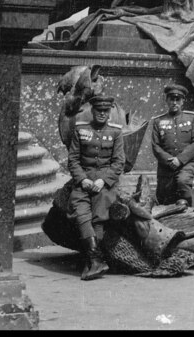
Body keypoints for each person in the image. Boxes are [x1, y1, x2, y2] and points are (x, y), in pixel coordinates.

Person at [66, 93, 125, 280]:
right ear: (92, 111)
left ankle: (92, 261)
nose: (101, 114)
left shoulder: (115, 132)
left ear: (109, 113)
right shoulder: (80, 129)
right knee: (80, 211)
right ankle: (96, 259)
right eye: (98, 110)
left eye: (105, 111)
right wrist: (82, 179)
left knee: (99, 218)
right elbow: (73, 159)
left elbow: (118, 163)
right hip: (84, 180)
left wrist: (104, 181)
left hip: (104, 182)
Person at [150, 83, 194, 207]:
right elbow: (156, 146)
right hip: (166, 166)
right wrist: (169, 161)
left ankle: (188, 214)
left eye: (178, 99)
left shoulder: (192, 118)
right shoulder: (158, 121)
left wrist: (180, 160)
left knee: (183, 182)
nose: (174, 102)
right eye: (171, 99)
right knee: (164, 197)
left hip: (188, 163)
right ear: (166, 100)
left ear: (183, 101)